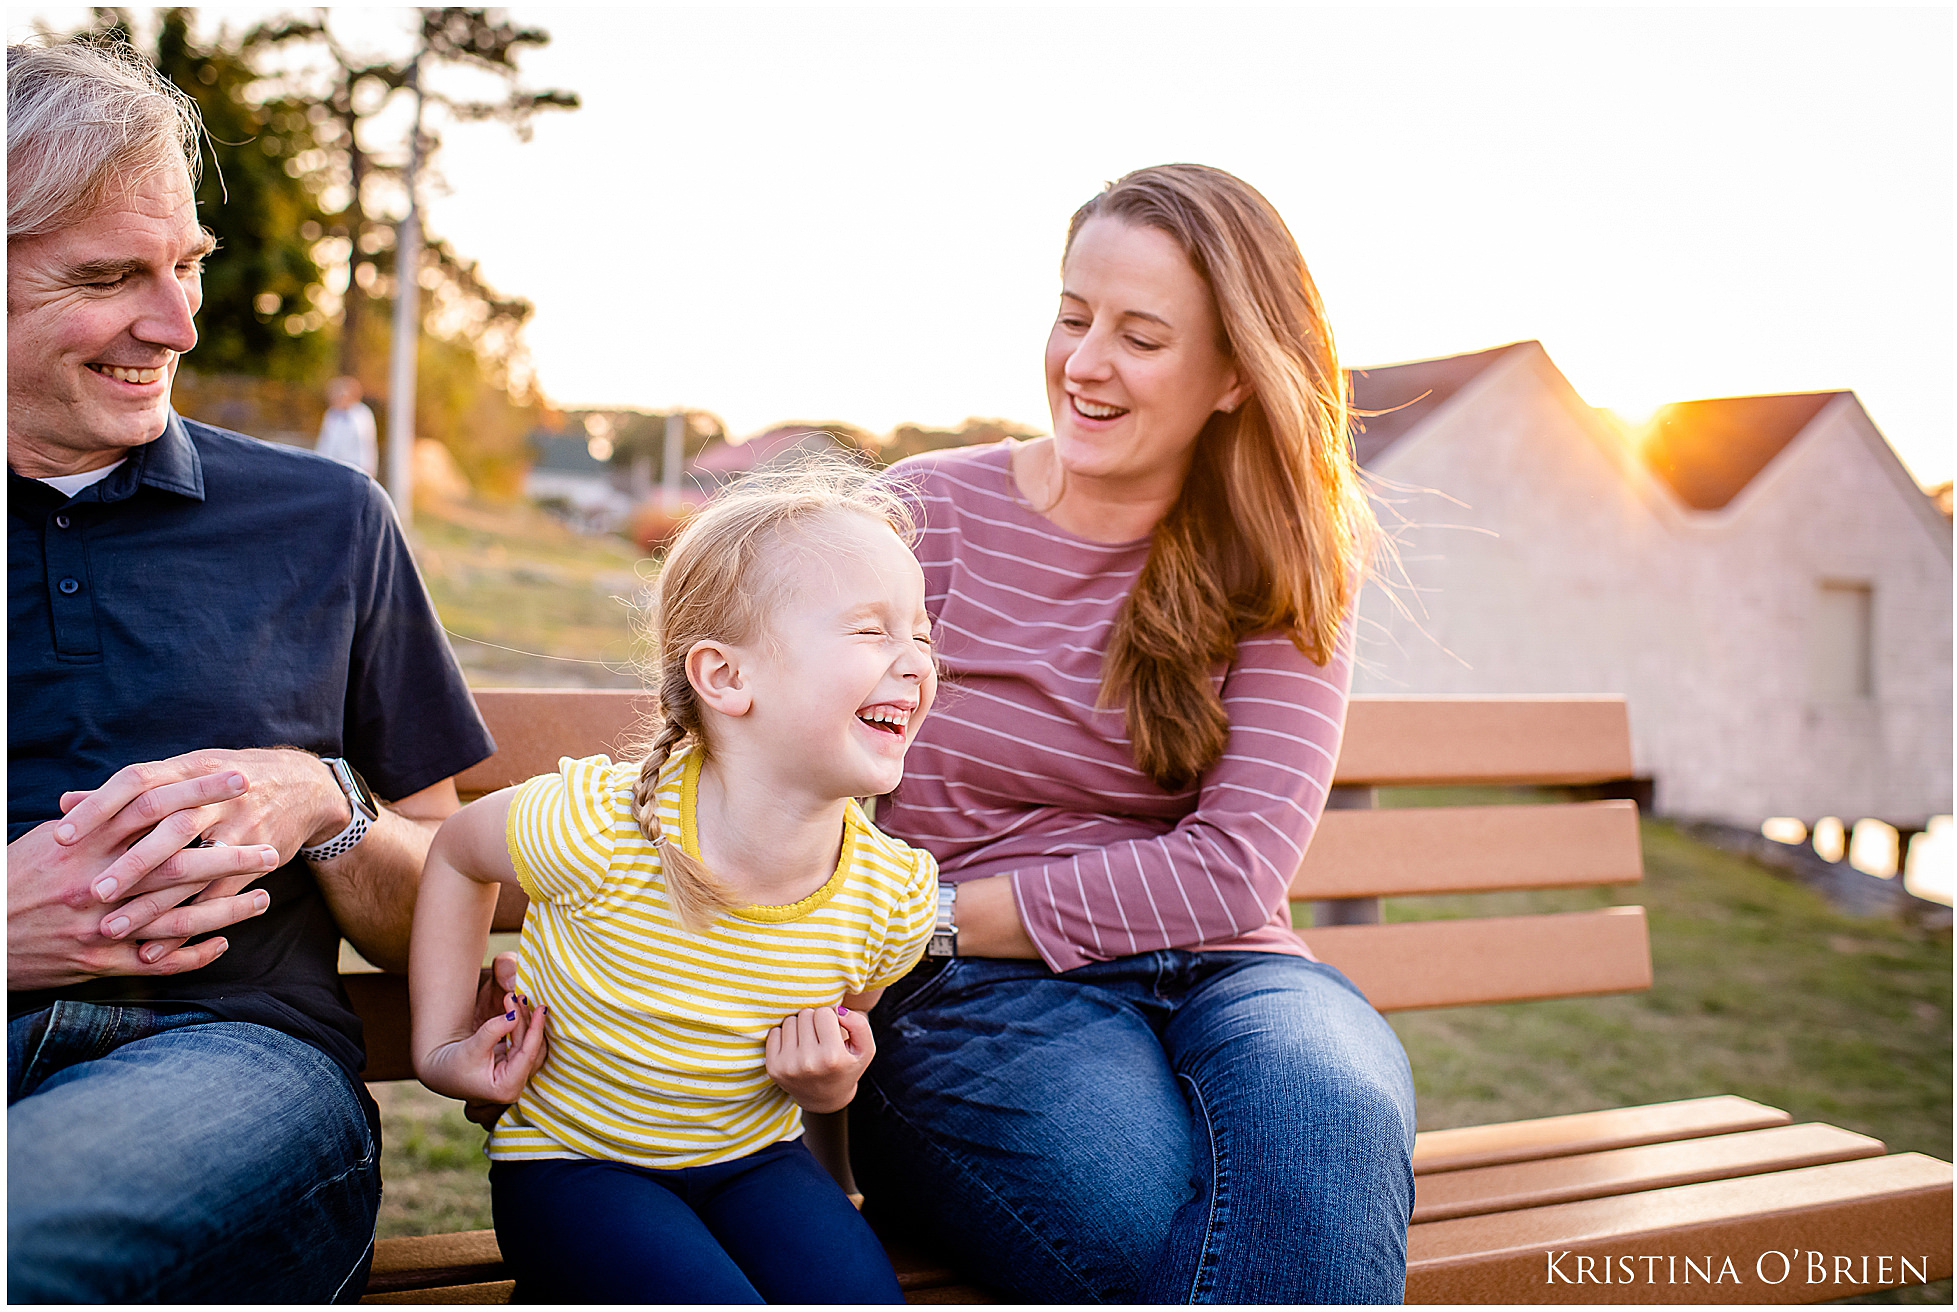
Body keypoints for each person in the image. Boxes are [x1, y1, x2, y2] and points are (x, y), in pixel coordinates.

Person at [848, 163, 1418, 1303]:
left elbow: (1237, 868)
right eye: (1072, 316)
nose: (1083, 363)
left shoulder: (1285, 556)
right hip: (980, 1000)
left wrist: (939, 913)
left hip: (1234, 973)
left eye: (1140, 336)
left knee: (1332, 1118)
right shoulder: (924, 515)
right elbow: (787, 760)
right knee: (1168, 1234)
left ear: (1232, 378)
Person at [6, 38, 495, 1302]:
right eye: (111, 276)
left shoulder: (326, 520)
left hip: (228, 1064)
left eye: (188, 266)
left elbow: (437, 890)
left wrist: (328, 801)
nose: (177, 325)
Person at [409, 465, 941, 1303]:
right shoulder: (601, 826)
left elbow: (834, 1047)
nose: (913, 660)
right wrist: (438, 1047)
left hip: (754, 1164)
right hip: (574, 1166)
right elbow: (458, 853)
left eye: (920, 633)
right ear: (726, 678)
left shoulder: (892, 893)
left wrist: (831, 1087)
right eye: (872, 632)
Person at [315, 374, 379, 476]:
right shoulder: (331, 414)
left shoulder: (362, 414)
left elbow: (366, 444)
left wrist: (368, 469)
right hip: (334, 465)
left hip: (355, 466)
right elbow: (325, 442)